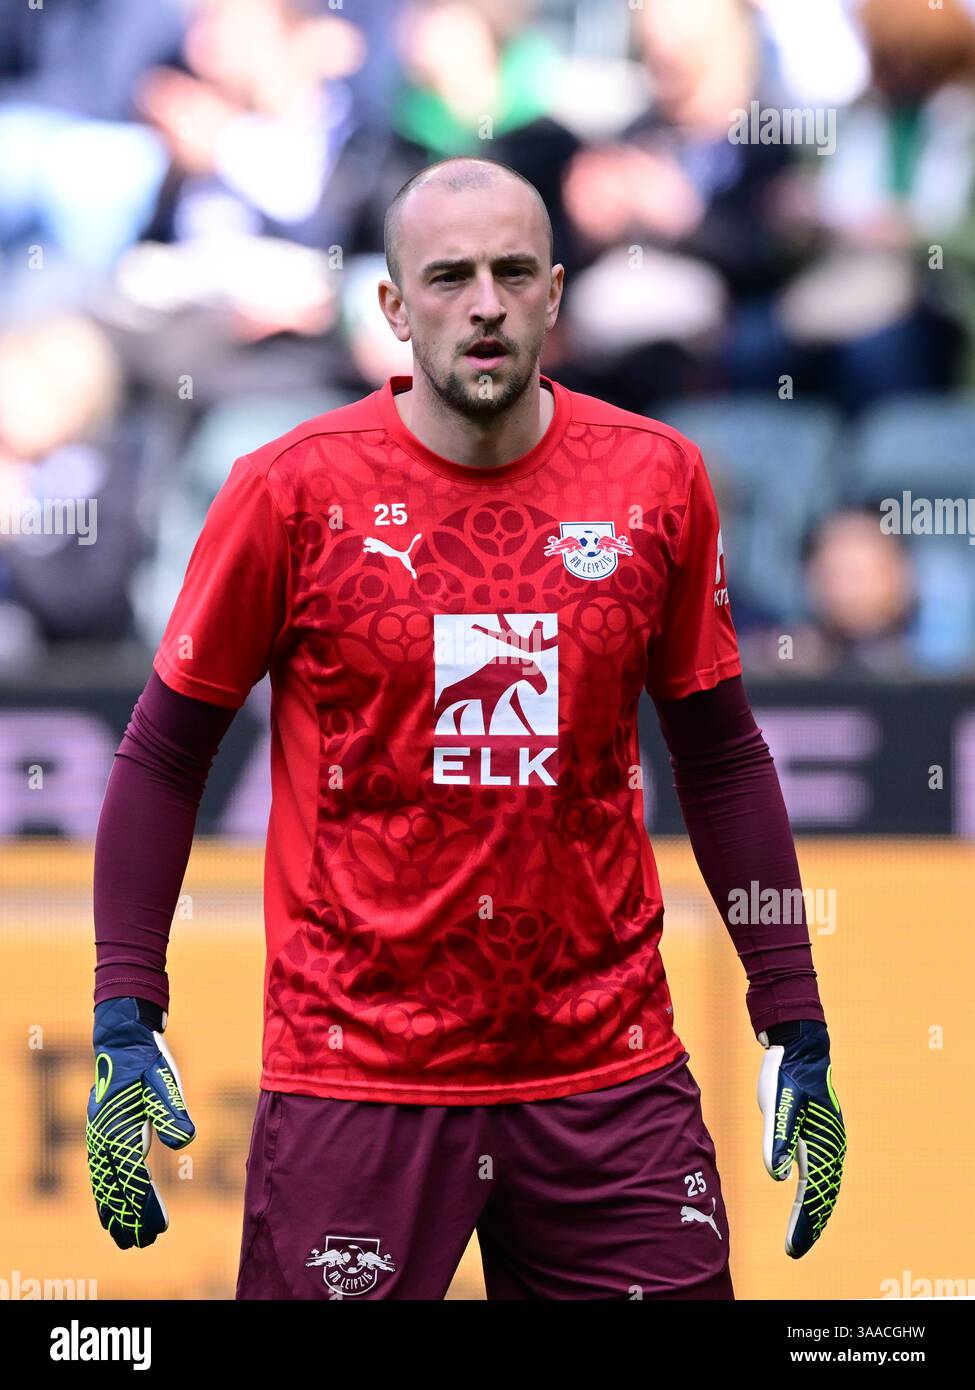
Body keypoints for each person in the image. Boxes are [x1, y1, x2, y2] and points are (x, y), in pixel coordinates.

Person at [87, 156, 845, 1300]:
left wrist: (794, 1017)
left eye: (510, 272)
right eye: (447, 276)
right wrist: (122, 1016)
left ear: (554, 293)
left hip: (607, 1071)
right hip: (359, 1075)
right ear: (394, 308)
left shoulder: (656, 479)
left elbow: (724, 757)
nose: (482, 302)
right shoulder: (290, 491)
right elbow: (163, 752)